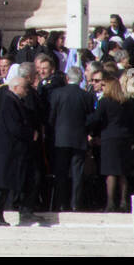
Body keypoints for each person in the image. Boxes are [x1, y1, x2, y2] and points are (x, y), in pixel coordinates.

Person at [0, 74, 40, 226]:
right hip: (7, 150)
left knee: (5, 183)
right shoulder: (9, 101)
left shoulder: (14, 100)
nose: (27, 90)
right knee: (2, 184)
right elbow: (14, 126)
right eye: (24, 87)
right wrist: (31, 134)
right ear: (16, 87)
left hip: (10, 150)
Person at [87, 70, 134, 212]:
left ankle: (110, 202)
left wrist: (90, 131)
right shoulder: (127, 102)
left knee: (110, 171)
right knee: (123, 172)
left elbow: (97, 119)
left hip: (109, 138)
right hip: (125, 138)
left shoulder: (105, 102)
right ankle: (123, 201)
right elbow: (133, 122)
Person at [48, 66, 93, 211]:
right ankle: (76, 203)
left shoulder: (57, 93)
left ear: (67, 79)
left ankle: (60, 203)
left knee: (61, 172)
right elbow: (90, 118)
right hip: (79, 139)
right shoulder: (86, 96)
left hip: (61, 139)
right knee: (77, 173)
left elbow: (52, 116)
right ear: (80, 80)